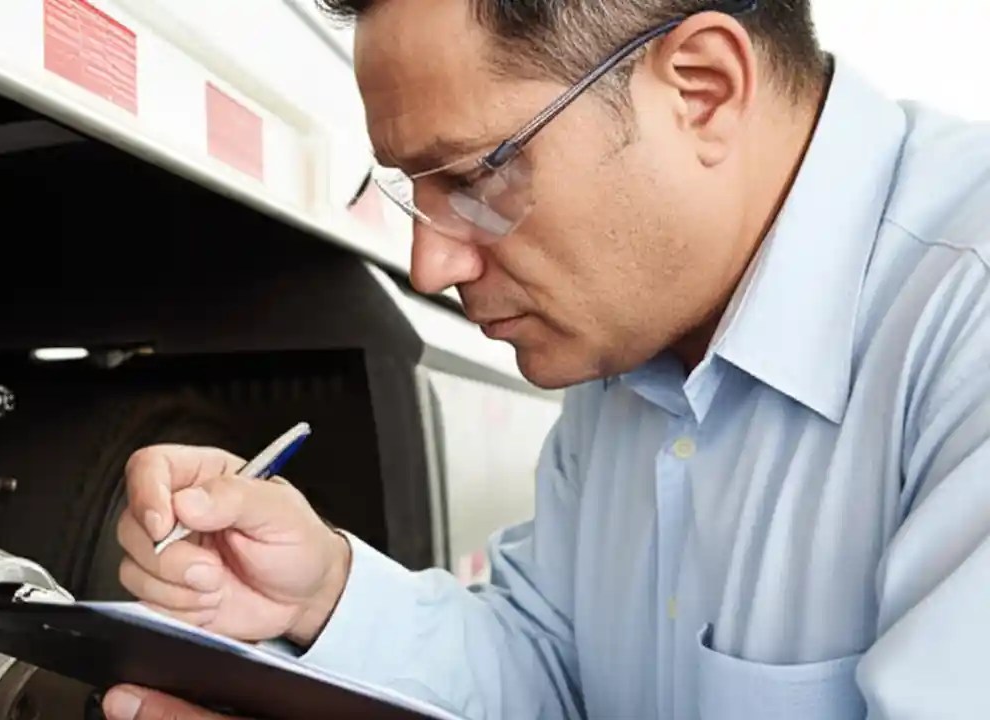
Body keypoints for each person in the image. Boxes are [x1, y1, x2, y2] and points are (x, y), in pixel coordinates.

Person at [100, 0, 990, 717]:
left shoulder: (964, 321)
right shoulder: (633, 351)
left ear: (703, 90)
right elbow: (558, 674)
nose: (431, 263)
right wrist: (320, 596)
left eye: (478, 179)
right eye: (414, 192)